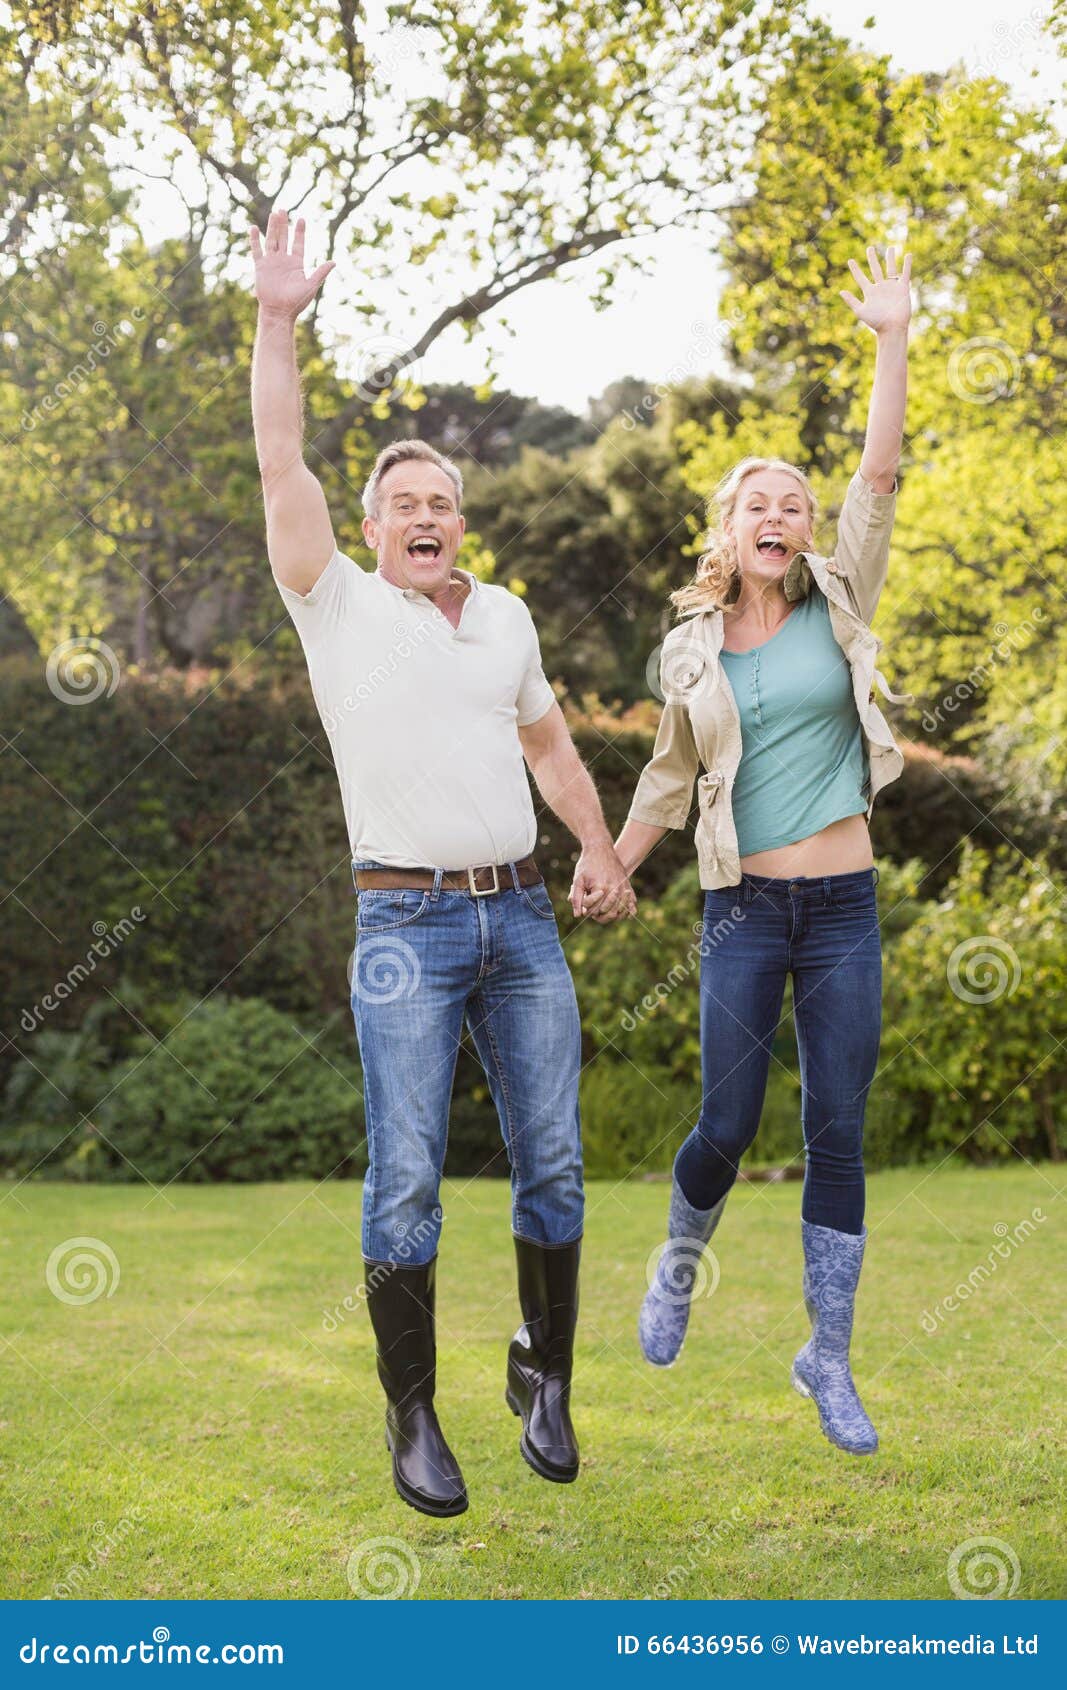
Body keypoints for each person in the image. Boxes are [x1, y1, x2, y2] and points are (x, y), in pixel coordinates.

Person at [248, 209, 634, 1517]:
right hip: (403, 924)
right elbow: (279, 459)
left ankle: (545, 1374)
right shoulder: (336, 603)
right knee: (405, 1171)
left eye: (442, 503)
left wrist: (595, 844)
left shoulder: (508, 616)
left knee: (555, 1160)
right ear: (366, 529)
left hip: (520, 920)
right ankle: (411, 1417)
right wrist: (277, 320)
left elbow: (551, 746)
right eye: (403, 504)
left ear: (462, 521)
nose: (427, 517)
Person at [613, 247, 914, 1456]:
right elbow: (669, 778)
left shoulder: (842, 596)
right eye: (759, 504)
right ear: (726, 534)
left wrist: (889, 336)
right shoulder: (690, 651)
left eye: (793, 502)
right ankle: (676, 1263)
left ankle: (825, 1357)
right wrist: (615, 860)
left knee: (835, 1127)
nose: (781, 515)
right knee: (726, 1126)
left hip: (841, 904)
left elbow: (879, 472)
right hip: (740, 912)